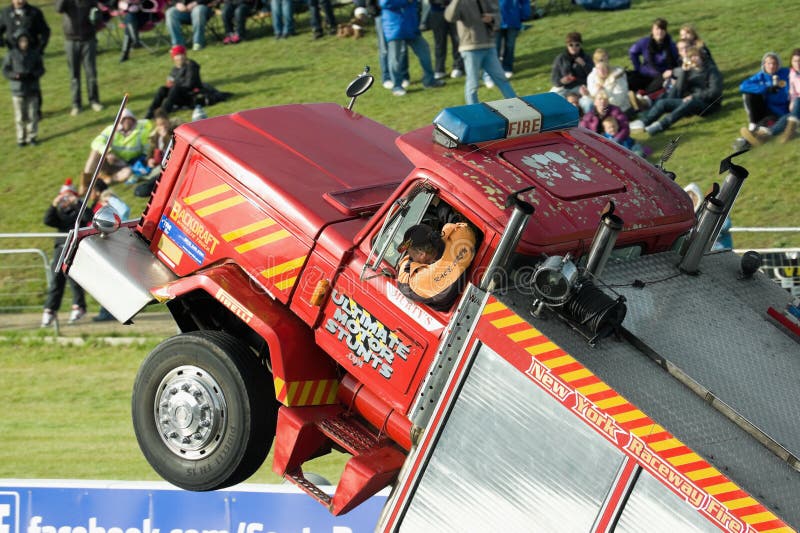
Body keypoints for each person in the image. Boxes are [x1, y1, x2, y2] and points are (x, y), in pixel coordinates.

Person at [630, 45, 722, 136]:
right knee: (663, 102)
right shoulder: (690, 71)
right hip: (690, 102)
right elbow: (679, 89)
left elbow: (714, 92)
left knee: (690, 102)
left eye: (695, 56)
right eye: (691, 57)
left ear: (701, 57)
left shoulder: (711, 71)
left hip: (708, 104)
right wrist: (684, 72)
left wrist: (693, 96)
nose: (693, 59)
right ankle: (643, 122)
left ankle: (661, 125)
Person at [41, 178, 93, 327]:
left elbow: (88, 218)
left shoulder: (79, 209)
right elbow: (47, 220)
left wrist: (77, 203)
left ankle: (79, 306)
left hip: (75, 246)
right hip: (61, 246)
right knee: (57, 278)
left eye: (69, 196)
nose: (66, 200)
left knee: (73, 276)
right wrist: (54, 204)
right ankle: (50, 309)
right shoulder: (59, 212)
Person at [445, 0, 514, 105]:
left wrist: (492, 18)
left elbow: (498, 16)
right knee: (473, 84)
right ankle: (474, 112)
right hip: (470, 48)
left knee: (501, 79)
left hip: (489, 45)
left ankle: (517, 106)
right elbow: (449, 17)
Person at [396, 222, 476, 311]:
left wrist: (409, 260)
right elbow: (456, 226)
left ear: (422, 254)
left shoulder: (421, 281)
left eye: (410, 253)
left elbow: (403, 280)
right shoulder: (462, 236)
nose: (409, 255)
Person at [80, 107, 152, 192]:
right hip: (108, 160)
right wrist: (108, 152)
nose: (128, 122)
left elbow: (147, 148)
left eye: (130, 119)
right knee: (94, 152)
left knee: (127, 173)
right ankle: (85, 183)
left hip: (124, 164)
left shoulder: (140, 132)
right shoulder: (111, 130)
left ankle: (106, 180)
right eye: (125, 120)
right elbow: (96, 142)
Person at [381, 0, 443, 96]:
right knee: (395, 58)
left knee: (424, 51)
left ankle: (429, 80)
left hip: (411, 26)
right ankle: (397, 86)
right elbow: (385, 3)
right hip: (395, 27)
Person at [740, 48, 800, 147]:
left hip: (785, 110)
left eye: (775, 63)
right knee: (748, 94)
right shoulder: (761, 76)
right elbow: (743, 86)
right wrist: (766, 89)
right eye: (769, 63)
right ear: (764, 64)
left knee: (772, 122)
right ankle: (753, 129)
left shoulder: (787, 73)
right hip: (769, 110)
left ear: (779, 64)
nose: (772, 66)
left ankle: (752, 139)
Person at [56, 0, 103, 116]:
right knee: (74, 75)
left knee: (91, 73)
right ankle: (76, 104)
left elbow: (98, 12)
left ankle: (94, 101)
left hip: (88, 39)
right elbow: (58, 9)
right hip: (71, 40)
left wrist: (96, 18)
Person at [2, 29, 43, 147]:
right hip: (18, 90)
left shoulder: (34, 54)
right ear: (17, 42)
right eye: (21, 41)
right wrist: (15, 75)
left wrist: (33, 75)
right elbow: (5, 70)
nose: (24, 43)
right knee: (20, 116)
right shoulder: (11, 55)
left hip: (32, 89)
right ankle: (21, 138)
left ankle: (32, 137)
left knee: (32, 115)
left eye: (25, 41)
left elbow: (41, 68)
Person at [626, 18, 679, 98]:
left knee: (663, 86)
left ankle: (644, 97)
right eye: (657, 29)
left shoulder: (671, 45)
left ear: (665, 31)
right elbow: (632, 52)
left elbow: (676, 61)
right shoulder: (645, 42)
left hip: (661, 77)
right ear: (652, 31)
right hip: (644, 74)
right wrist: (637, 67)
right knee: (629, 81)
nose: (660, 32)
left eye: (662, 29)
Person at [145, 44, 202, 118]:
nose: (180, 57)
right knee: (162, 89)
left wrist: (175, 86)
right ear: (173, 57)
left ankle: (163, 112)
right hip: (177, 95)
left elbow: (189, 84)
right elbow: (169, 83)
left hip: (190, 96)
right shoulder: (174, 70)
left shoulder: (191, 66)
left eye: (181, 54)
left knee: (175, 88)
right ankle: (150, 113)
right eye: (177, 55)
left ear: (185, 55)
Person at [366, 0, 407, 89]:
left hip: (398, 14)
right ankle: (387, 77)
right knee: (384, 48)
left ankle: (403, 75)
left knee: (402, 47)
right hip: (380, 16)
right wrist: (375, 12)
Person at [684, 182, 732, 251]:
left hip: (720, 249)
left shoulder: (706, 212)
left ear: (698, 198)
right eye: (688, 196)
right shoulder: (685, 216)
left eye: (694, 197)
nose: (691, 200)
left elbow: (725, 225)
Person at [582, 47, 630, 115]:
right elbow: (592, 96)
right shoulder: (591, 77)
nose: (603, 63)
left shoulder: (618, 75)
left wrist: (605, 92)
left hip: (617, 108)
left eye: (606, 60)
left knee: (605, 114)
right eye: (600, 60)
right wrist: (587, 94)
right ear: (595, 62)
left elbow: (619, 100)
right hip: (599, 109)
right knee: (586, 102)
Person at [549, 31, 592, 98]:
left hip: (580, 86)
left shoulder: (586, 58)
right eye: (571, 45)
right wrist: (562, 81)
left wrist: (584, 65)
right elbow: (554, 79)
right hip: (564, 87)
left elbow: (593, 76)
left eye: (577, 45)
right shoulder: (561, 58)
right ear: (567, 45)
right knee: (551, 98)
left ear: (581, 45)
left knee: (586, 99)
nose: (574, 47)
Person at [427, 0, 462, 80]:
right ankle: (439, 69)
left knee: (457, 39)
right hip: (437, 10)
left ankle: (458, 67)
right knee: (439, 41)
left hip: (454, 9)